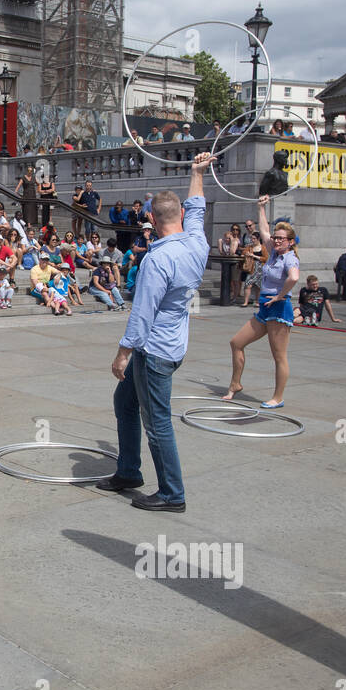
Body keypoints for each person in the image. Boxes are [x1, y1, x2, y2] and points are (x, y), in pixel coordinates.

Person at [101, 152, 214, 512]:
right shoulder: (197, 243)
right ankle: (128, 471)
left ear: (150, 219)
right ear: (178, 216)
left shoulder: (156, 260)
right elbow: (197, 207)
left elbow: (142, 314)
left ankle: (172, 492)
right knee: (125, 402)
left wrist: (123, 352)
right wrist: (197, 172)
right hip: (172, 344)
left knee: (158, 421)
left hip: (155, 352)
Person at [223, 198, 300, 408]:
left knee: (279, 356)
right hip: (265, 308)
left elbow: (293, 277)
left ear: (291, 241)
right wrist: (261, 207)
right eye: (276, 238)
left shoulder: (290, 258)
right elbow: (264, 230)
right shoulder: (274, 252)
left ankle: (278, 397)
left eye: (281, 239)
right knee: (236, 343)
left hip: (278, 308)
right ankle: (235, 384)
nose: (276, 241)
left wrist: (280, 295)